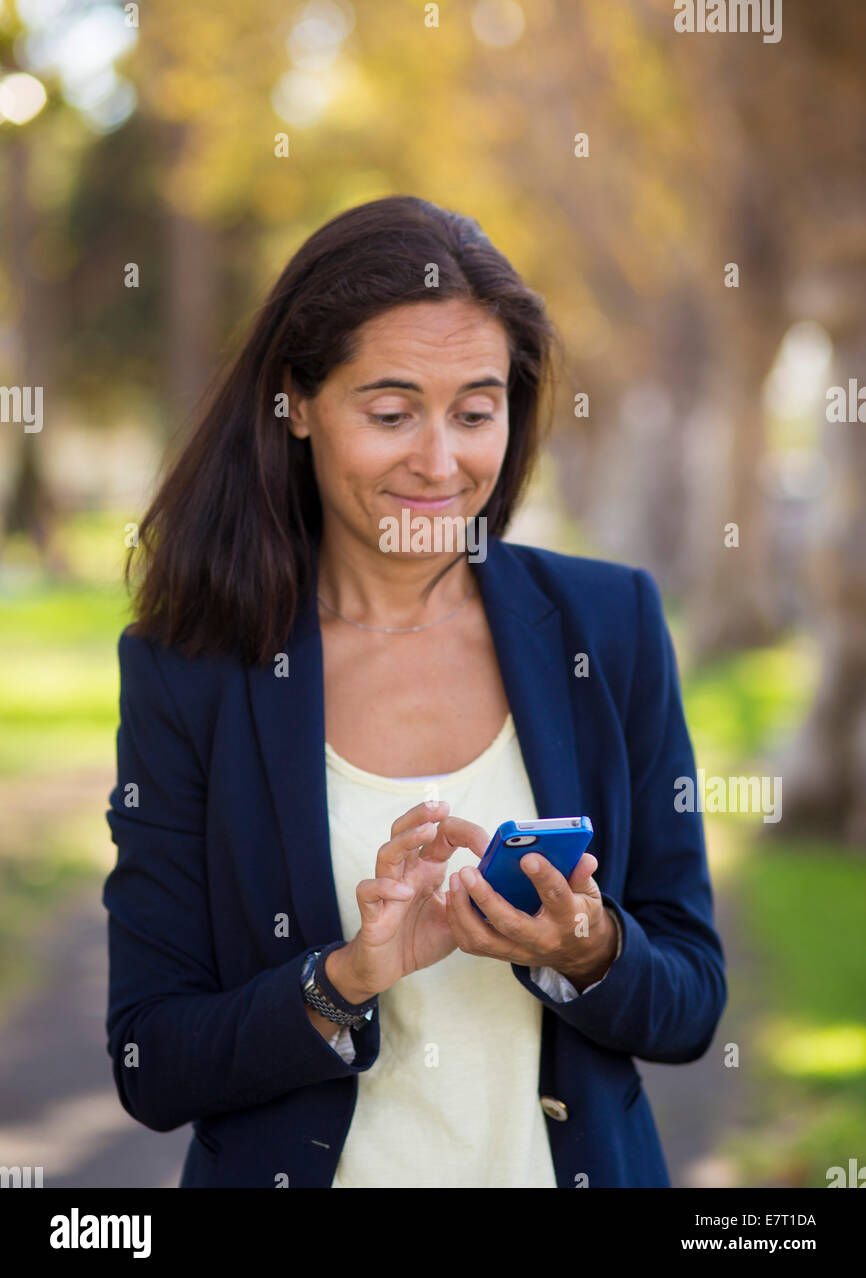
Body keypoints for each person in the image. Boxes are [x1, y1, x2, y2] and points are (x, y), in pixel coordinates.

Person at [102, 194, 727, 1188]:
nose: (439, 462)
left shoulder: (607, 628)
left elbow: (690, 1002)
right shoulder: (192, 669)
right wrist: (344, 978)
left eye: (475, 411)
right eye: (390, 413)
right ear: (295, 403)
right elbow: (151, 1057)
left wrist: (588, 944)